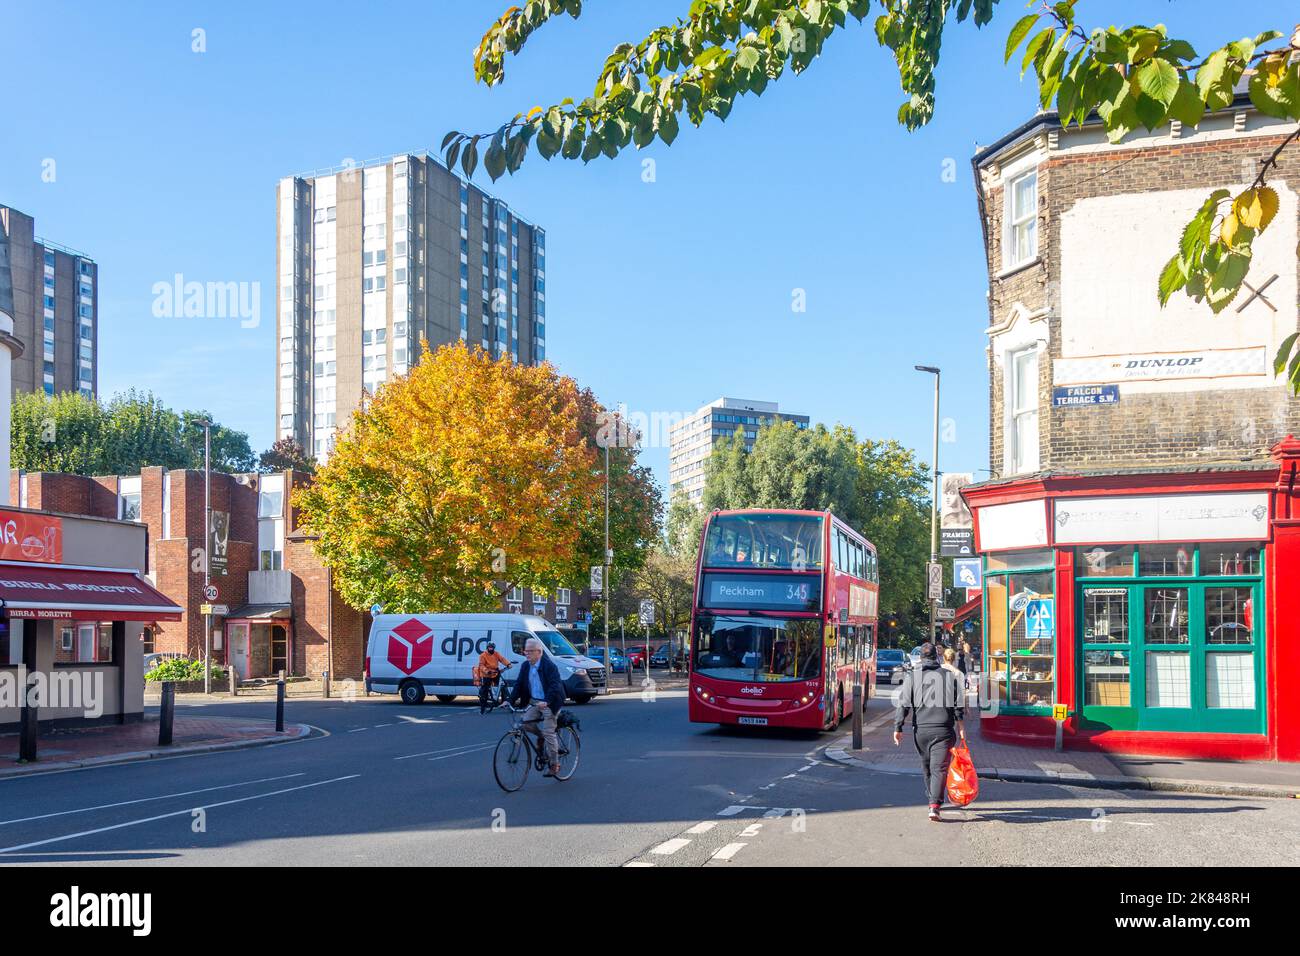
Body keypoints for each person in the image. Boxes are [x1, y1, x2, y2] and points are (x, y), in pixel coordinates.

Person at [893, 642, 966, 822]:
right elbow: (958, 706)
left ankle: (932, 801)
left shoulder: (913, 676)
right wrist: (961, 728)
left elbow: (904, 703)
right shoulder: (948, 676)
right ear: (937, 657)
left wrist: (898, 727)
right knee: (939, 768)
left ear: (921, 658)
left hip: (921, 730)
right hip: (943, 729)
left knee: (927, 767)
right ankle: (934, 803)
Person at [508, 637, 565, 776]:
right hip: (535, 701)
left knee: (549, 731)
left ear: (539, 652)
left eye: (530, 651)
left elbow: (554, 685)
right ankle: (541, 736)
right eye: (525, 651)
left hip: (551, 702)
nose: (527, 654)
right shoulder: (525, 666)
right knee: (524, 724)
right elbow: (519, 684)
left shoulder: (549, 666)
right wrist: (509, 701)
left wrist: (547, 701)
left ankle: (555, 764)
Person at [476, 642, 513, 714]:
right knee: (485, 690)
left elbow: (502, 659)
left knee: (504, 685)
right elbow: (481, 665)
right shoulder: (483, 655)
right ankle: (482, 708)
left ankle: (505, 702)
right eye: (489, 647)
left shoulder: (496, 654)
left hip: (495, 673)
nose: (491, 649)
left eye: (492, 647)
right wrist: (486, 671)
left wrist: (508, 664)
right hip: (487, 674)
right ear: (487, 648)